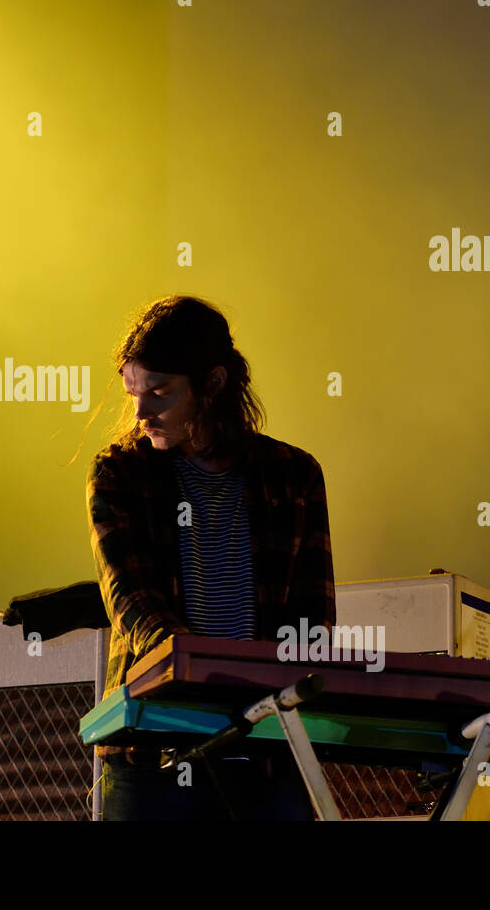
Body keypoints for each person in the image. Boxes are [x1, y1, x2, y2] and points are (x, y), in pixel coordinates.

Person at [85, 295, 336, 820]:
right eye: (134, 392)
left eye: (159, 393)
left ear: (214, 385)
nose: (140, 411)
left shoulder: (295, 476)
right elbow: (134, 604)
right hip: (152, 750)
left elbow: (313, 620)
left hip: (266, 749)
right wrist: (200, 673)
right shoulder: (119, 476)